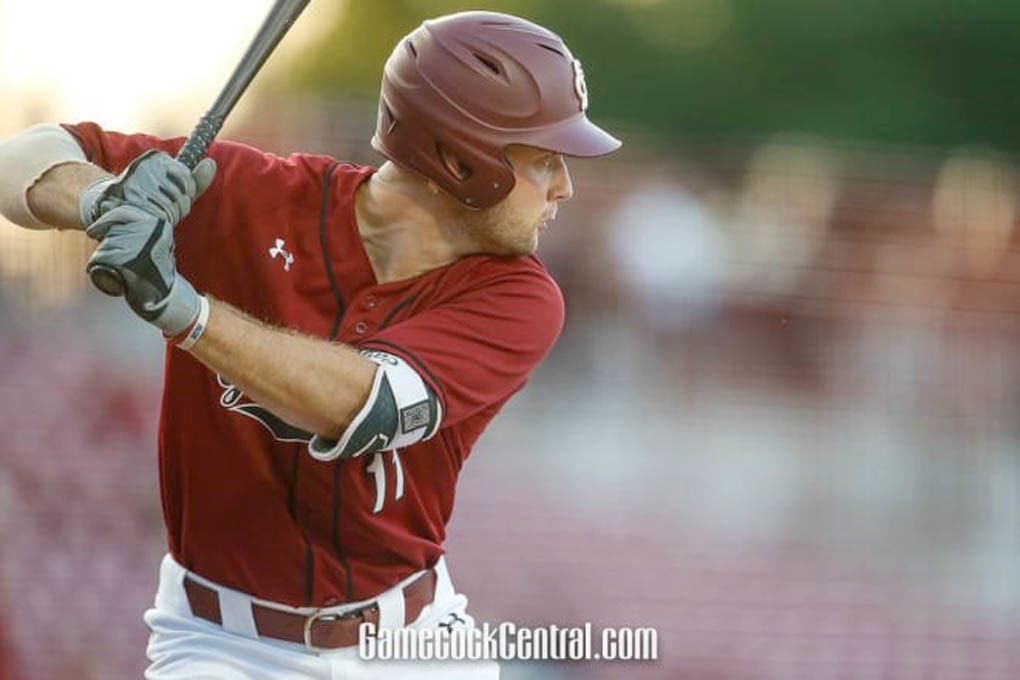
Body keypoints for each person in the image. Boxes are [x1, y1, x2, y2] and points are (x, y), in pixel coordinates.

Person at [0, 10, 619, 679]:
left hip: (412, 642)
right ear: (462, 160)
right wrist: (107, 199)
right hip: (221, 646)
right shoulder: (250, 193)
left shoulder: (520, 297)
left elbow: (362, 402)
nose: (565, 186)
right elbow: (21, 160)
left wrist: (182, 309)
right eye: (545, 161)